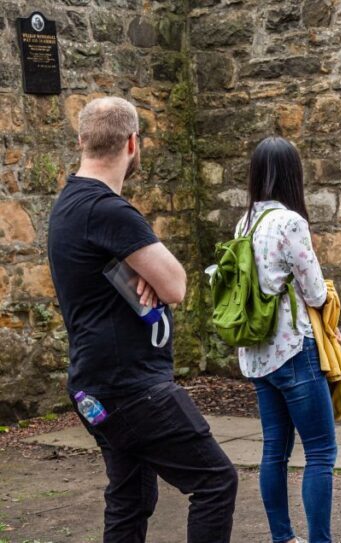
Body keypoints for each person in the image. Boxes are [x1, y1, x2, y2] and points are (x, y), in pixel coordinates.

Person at [47, 97, 237, 542]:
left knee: (131, 498)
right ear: (133, 143)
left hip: (96, 384)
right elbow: (176, 285)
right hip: (131, 388)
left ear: (81, 141)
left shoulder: (69, 204)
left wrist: (137, 270)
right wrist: (147, 273)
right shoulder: (108, 209)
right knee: (215, 481)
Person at [235, 137, 337, 543]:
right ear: (292, 174)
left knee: (274, 451)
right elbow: (314, 293)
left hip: (257, 355)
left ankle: (283, 538)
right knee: (321, 453)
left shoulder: (245, 223)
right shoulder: (290, 222)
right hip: (294, 350)